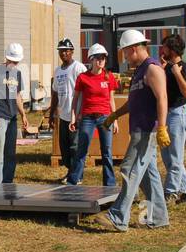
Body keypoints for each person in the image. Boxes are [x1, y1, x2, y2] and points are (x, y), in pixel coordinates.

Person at [103, 29, 170, 232]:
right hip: (138, 129)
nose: (124, 57)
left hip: (147, 131)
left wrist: (162, 128)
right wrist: (115, 115)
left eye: (125, 52)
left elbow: (162, 98)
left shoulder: (152, 69)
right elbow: (133, 102)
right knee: (149, 177)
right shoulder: (139, 72)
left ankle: (117, 216)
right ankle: (158, 218)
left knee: (129, 171)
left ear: (133, 49)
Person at [68, 43, 119, 186]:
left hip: (105, 117)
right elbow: (76, 99)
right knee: (82, 150)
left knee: (107, 151)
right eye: (97, 58)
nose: (101, 61)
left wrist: (114, 120)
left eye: (103, 58)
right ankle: (74, 180)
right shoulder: (83, 77)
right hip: (88, 118)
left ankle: (109, 184)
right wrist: (73, 118)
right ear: (91, 59)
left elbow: (111, 99)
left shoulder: (109, 77)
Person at [159, 33, 186, 203]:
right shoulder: (166, 66)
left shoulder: (182, 67)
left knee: (175, 157)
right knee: (168, 158)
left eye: (165, 47)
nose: (162, 49)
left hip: (179, 113)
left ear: (173, 50)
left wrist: (176, 73)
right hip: (168, 113)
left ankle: (171, 192)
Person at [0, 43, 30, 185]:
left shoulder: (17, 73)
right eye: (12, 61)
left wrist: (23, 114)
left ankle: (7, 181)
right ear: (7, 58)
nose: (14, 64)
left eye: (16, 62)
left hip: (12, 117)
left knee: (10, 152)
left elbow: (17, 95)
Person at [50, 38, 87, 183]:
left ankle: (78, 175)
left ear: (72, 52)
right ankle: (71, 172)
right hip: (63, 114)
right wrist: (53, 113)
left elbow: (87, 89)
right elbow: (55, 93)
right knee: (64, 147)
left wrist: (82, 113)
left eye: (66, 50)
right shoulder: (58, 71)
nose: (64, 53)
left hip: (76, 114)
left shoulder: (79, 68)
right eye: (61, 51)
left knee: (75, 146)